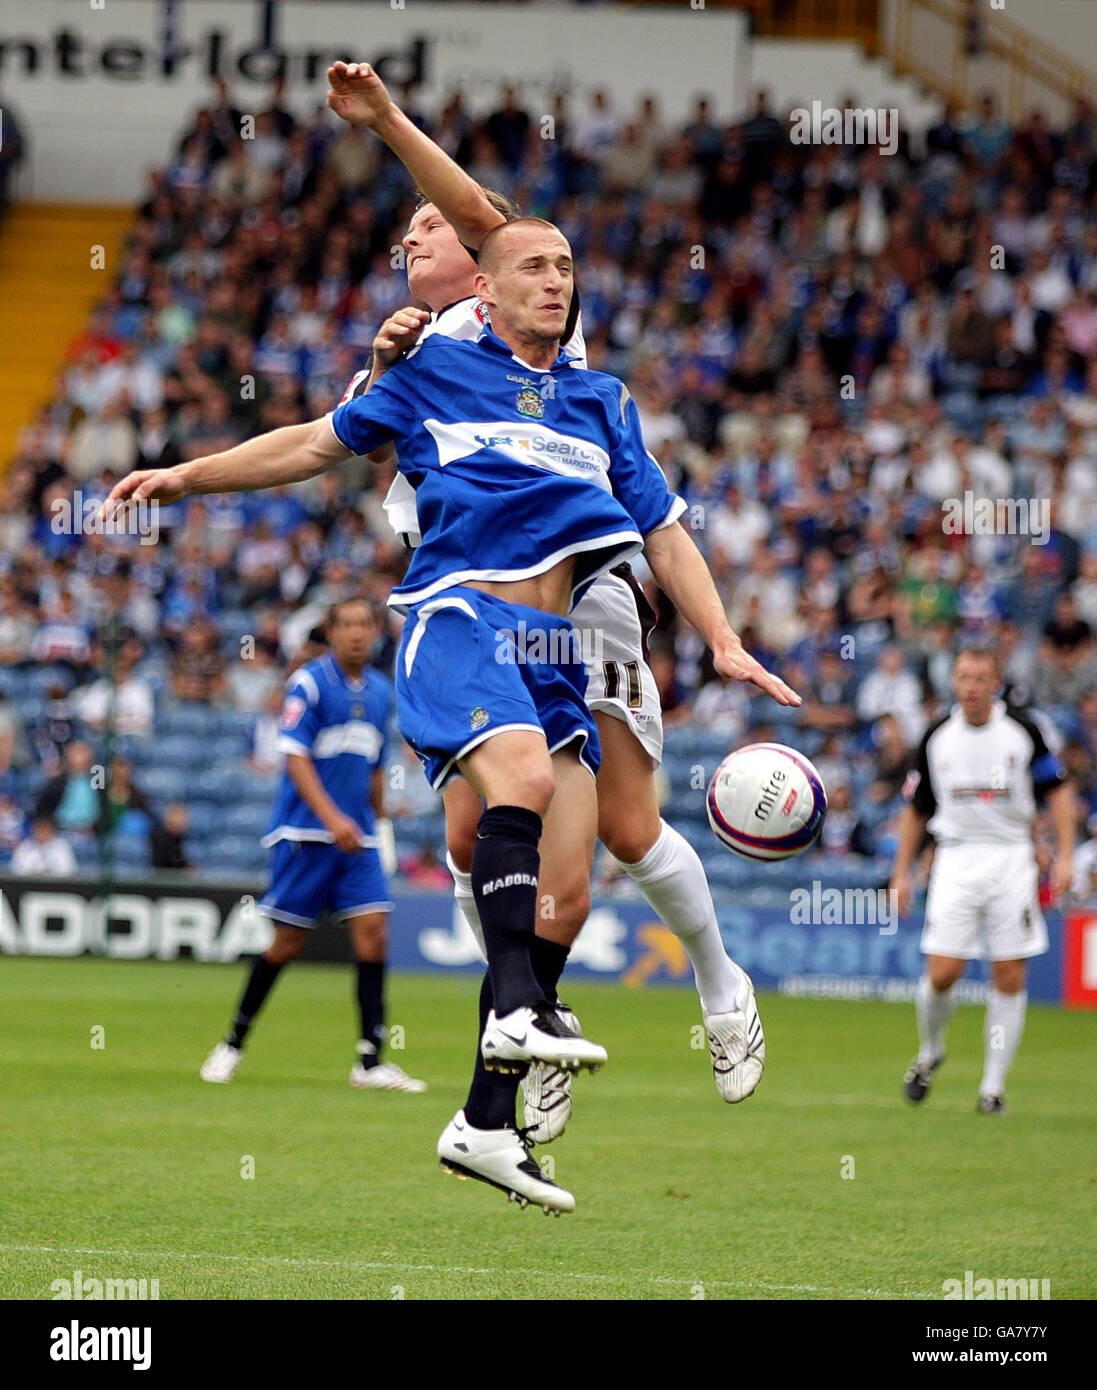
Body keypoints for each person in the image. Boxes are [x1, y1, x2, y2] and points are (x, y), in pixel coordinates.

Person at [101, 216, 798, 1213]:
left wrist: (722, 640)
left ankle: (480, 1120)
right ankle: (515, 1006)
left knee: (566, 893)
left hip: (553, 651)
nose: (553, 281)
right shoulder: (433, 369)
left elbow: (664, 531)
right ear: (485, 287)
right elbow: (310, 444)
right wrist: (185, 475)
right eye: (532, 267)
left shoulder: (600, 402)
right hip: (458, 614)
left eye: (565, 266)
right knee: (513, 789)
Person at [325, 61, 774, 1146]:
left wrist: (388, 122)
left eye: (434, 229)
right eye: (411, 236)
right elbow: (350, 460)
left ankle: (717, 988)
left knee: (615, 830)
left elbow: (487, 212)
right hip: (474, 610)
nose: (420, 240)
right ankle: (530, 1008)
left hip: (585, 601)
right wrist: (374, 366)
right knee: (479, 845)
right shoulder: (418, 353)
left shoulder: (543, 320)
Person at [199, 596, 425, 1095]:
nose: (357, 633)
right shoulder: (310, 683)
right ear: (331, 631)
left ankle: (370, 1060)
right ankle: (233, 1042)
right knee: (287, 944)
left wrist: (377, 825)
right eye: (346, 625)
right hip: (306, 834)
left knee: (374, 934)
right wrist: (333, 819)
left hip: (357, 838)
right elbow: (295, 758)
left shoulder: (384, 692)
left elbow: (372, 768)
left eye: (364, 624)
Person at [890, 648, 1074, 1114]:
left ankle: (992, 1087)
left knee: (1008, 973)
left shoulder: (1022, 730)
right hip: (955, 857)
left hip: (1011, 857)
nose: (971, 686)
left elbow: (1058, 792)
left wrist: (1067, 854)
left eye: (980, 677)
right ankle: (931, 1050)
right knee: (942, 972)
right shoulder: (937, 736)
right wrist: (901, 874)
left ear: (994, 682)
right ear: (954, 681)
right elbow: (916, 810)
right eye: (964, 677)